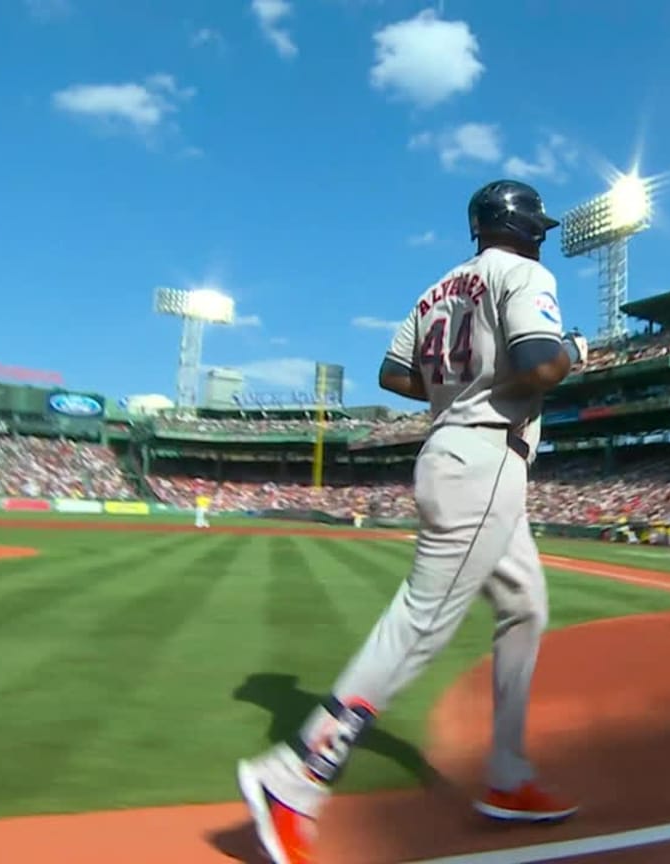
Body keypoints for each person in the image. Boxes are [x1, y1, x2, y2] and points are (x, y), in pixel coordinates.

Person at [235, 179, 589, 864]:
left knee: (525, 605)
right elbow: (541, 364)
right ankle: (292, 779)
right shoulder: (525, 274)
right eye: (537, 226)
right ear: (521, 225)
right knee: (420, 624)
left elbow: (393, 374)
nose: (542, 237)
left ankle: (508, 773)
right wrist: (573, 350)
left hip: (454, 451)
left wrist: (465, 383)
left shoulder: (436, 291)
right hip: (486, 457)